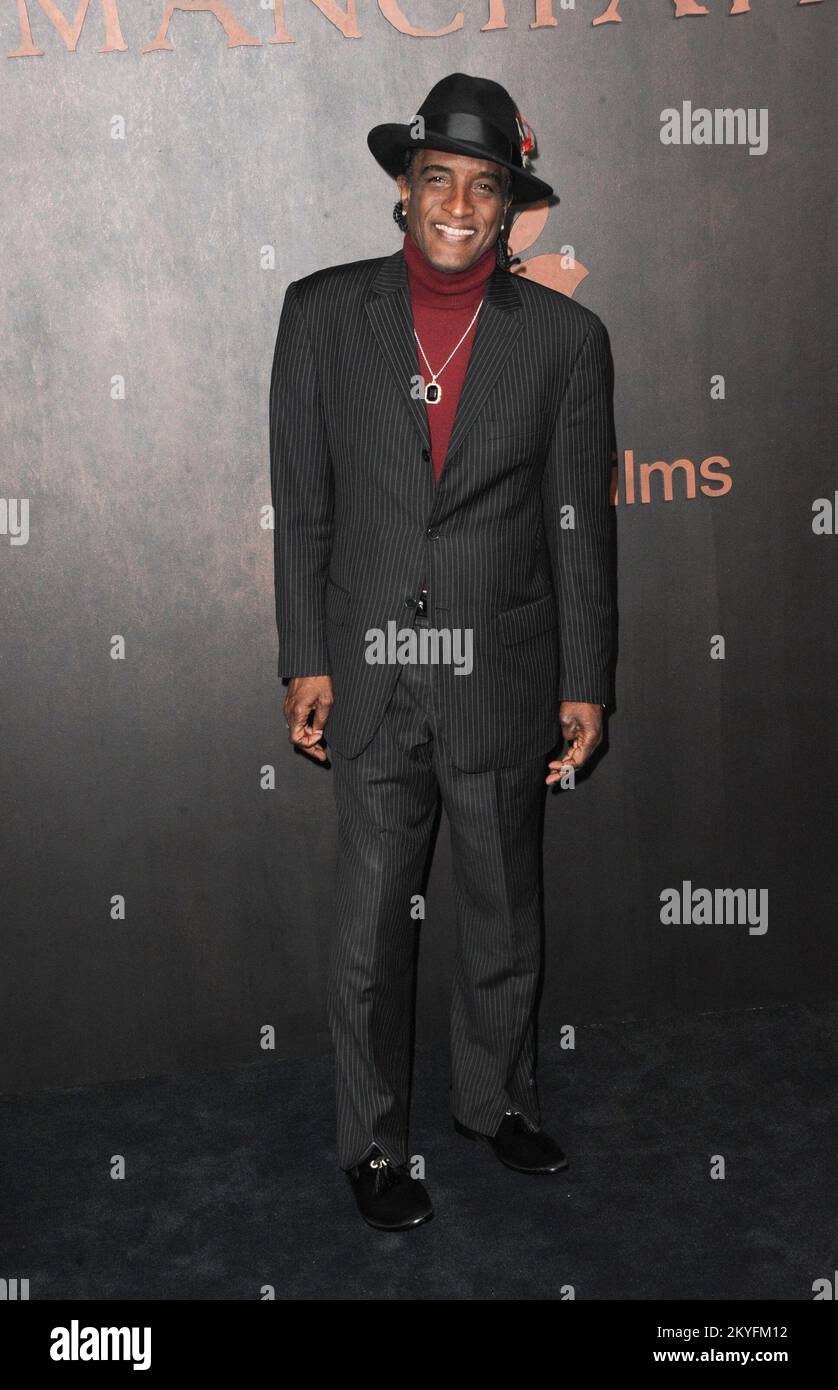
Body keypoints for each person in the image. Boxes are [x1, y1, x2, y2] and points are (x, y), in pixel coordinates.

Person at [269, 72, 617, 1231]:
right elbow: (303, 506)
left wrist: (584, 678)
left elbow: (578, 520)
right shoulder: (319, 315)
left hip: (504, 673)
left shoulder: (568, 341)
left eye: (484, 185)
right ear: (401, 192)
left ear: (508, 204)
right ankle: (371, 1144)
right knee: (371, 929)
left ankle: (494, 1102)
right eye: (438, 180)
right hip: (367, 673)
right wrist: (303, 653)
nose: (459, 203)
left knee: (504, 910)